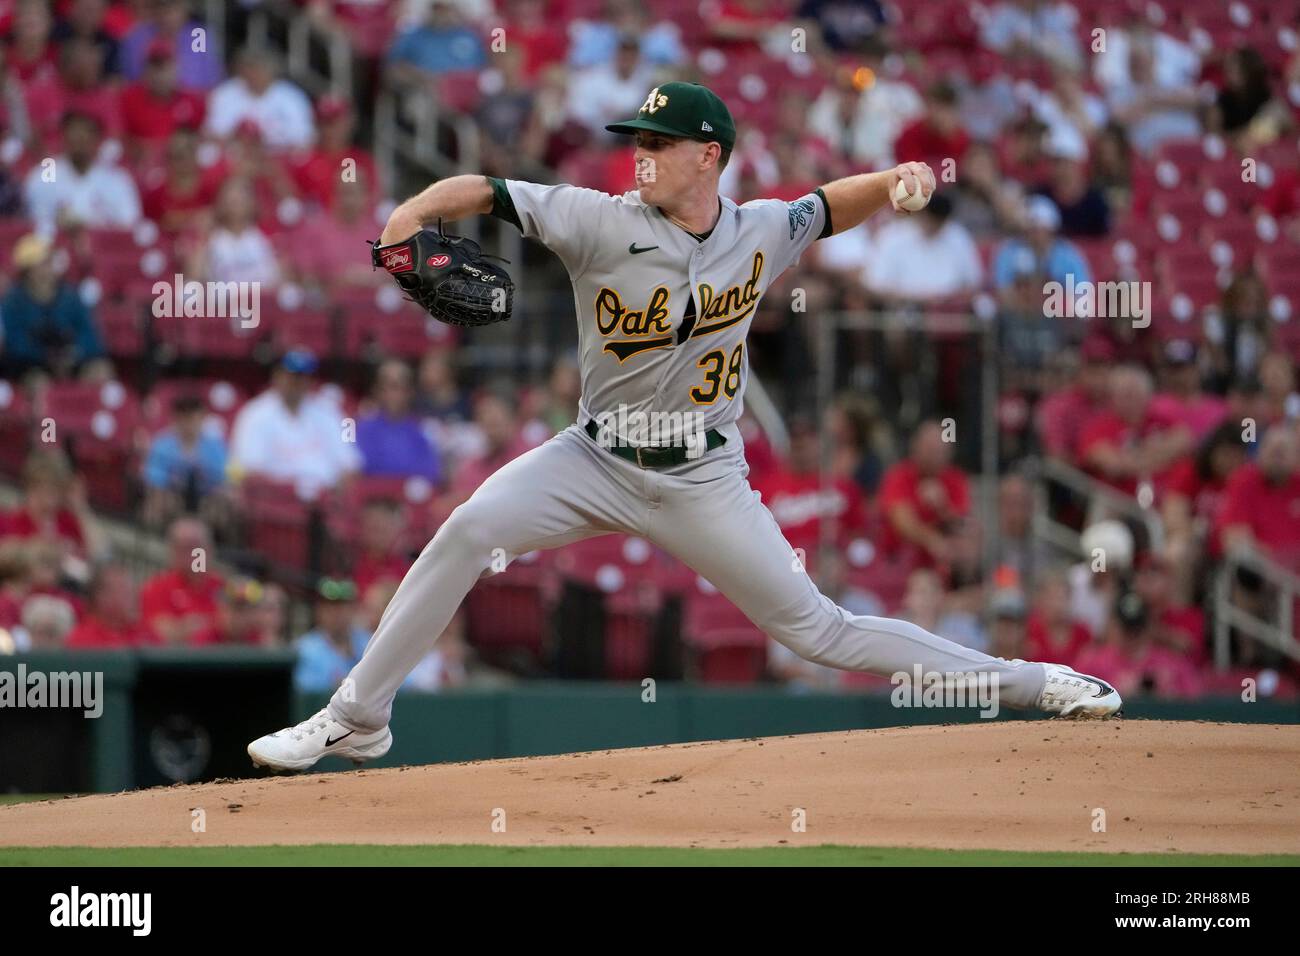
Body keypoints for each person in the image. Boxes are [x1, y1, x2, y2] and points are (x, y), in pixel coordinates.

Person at [248, 80, 1121, 771]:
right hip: (591, 456)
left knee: (817, 629)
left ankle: (1031, 682)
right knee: (469, 527)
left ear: (710, 156)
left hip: (702, 476)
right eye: (637, 141)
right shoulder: (598, 219)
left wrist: (894, 186)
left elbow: (825, 205)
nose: (641, 156)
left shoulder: (759, 231)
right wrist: (408, 218)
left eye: (659, 144)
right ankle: (357, 718)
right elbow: (485, 190)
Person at [228, 350, 360, 495]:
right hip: (277, 500)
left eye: (303, 376)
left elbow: (350, 464)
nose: (296, 382)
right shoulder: (254, 414)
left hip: (326, 498)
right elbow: (249, 470)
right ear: (277, 376)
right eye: (292, 376)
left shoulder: (331, 412)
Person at [0, 234, 107, 379]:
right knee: (38, 381)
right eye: (42, 263)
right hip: (31, 365)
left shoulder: (71, 296)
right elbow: (14, 343)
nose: (48, 268)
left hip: (73, 360)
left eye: (49, 262)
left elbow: (90, 334)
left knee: (100, 372)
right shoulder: (13, 302)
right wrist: (45, 356)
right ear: (28, 271)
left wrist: (73, 353)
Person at [140, 392, 229, 527]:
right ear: (175, 419)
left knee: (223, 505)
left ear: (202, 418)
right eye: (184, 418)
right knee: (157, 502)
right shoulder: (162, 444)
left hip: (205, 500)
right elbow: (154, 480)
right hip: (173, 497)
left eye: (193, 418)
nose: (189, 424)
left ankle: (208, 543)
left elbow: (223, 479)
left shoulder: (214, 446)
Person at [139, 518, 225, 647]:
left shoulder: (221, 585)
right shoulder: (158, 587)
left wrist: (188, 626)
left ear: (209, 549)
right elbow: (164, 633)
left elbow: (239, 625)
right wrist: (215, 623)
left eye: (194, 547)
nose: (189, 554)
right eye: (180, 547)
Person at [356, 360, 441, 483]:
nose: (392, 394)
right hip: (373, 497)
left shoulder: (423, 428)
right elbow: (363, 467)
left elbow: (431, 471)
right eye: (386, 387)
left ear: (410, 392)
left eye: (399, 387)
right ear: (377, 391)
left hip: (410, 498)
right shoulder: (362, 427)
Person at [65, 563, 154, 649]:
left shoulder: (145, 633)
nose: (133, 598)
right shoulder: (81, 642)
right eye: (125, 592)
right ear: (101, 597)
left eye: (132, 590)